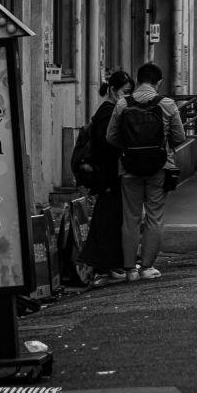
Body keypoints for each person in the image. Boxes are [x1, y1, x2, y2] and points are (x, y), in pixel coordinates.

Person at [106, 61, 186, 281]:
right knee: (154, 217)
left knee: (130, 218)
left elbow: (111, 137)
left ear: (138, 81)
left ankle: (130, 269)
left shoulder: (123, 104)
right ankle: (147, 267)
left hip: (129, 169)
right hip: (159, 169)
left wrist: (129, 147)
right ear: (158, 83)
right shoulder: (167, 104)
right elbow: (179, 138)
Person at [78, 70, 133, 284]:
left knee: (108, 218)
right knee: (109, 219)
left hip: (108, 174)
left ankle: (106, 265)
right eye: (124, 92)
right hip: (109, 174)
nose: (127, 96)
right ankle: (105, 265)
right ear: (112, 90)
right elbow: (106, 147)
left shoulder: (109, 110)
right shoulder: (109, 112)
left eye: (130, 92)